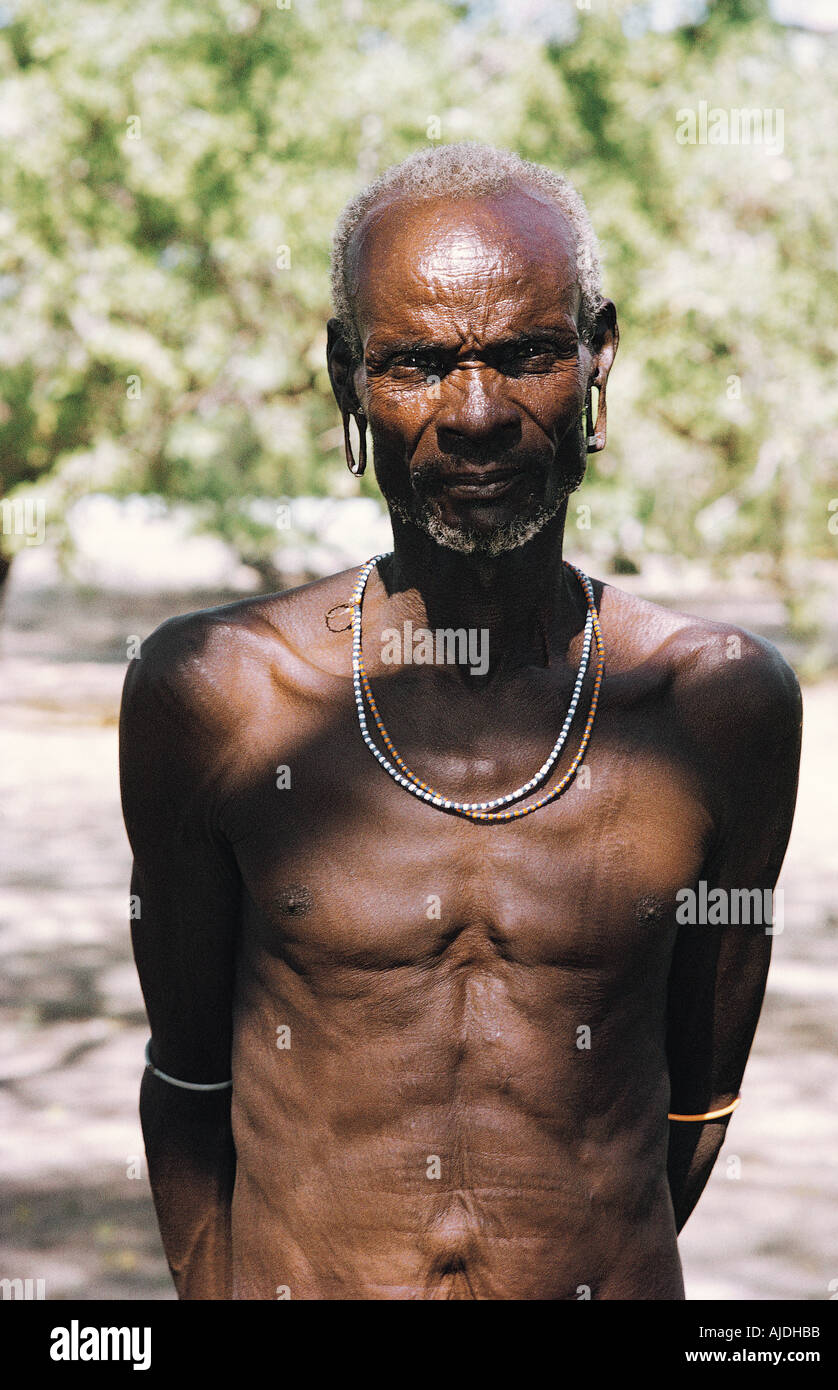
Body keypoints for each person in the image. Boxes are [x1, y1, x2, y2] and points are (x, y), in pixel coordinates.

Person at [119, 143, 801, 1300]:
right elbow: (188, 1092)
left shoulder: (719, 705)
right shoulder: (218, 693)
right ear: (348, 378)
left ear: (598, 358)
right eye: (418, 364)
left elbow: (697, 1097)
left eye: (527, 354)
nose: (476, 414)